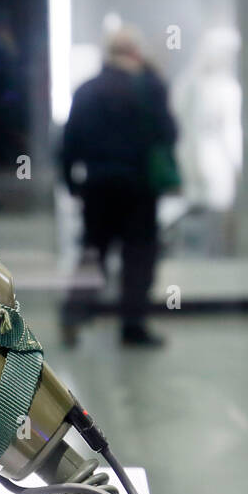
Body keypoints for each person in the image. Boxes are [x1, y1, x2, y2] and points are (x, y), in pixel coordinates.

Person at [60, 26, 177, 348]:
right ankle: (133, 326)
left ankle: (73, 314)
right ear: (136, 52)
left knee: (93, 253)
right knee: (138, 256)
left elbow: (70, 141)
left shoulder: (87, 90)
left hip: (97, 186)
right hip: (139, 188)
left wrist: (71, 182)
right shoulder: (149, 86)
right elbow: (169, 133)